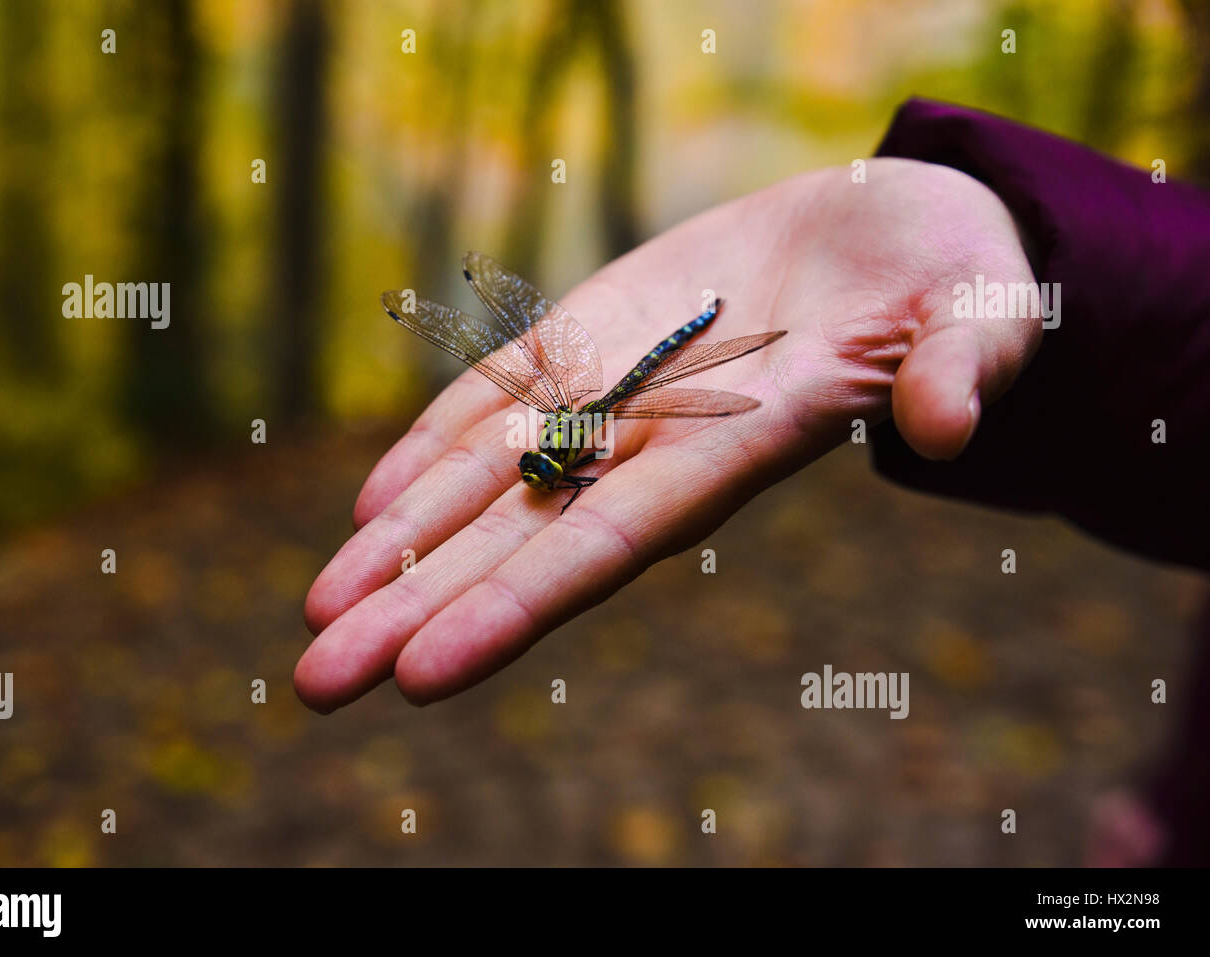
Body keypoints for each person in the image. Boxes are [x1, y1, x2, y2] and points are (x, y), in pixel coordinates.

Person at [297, 99, 1210, 865]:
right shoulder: (564, 439)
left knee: (665, 376)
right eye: (542, 465)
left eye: (545, 463)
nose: (540, 471)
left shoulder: (592, 440)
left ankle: (702, 325)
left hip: (664, 360)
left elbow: (593, 464)